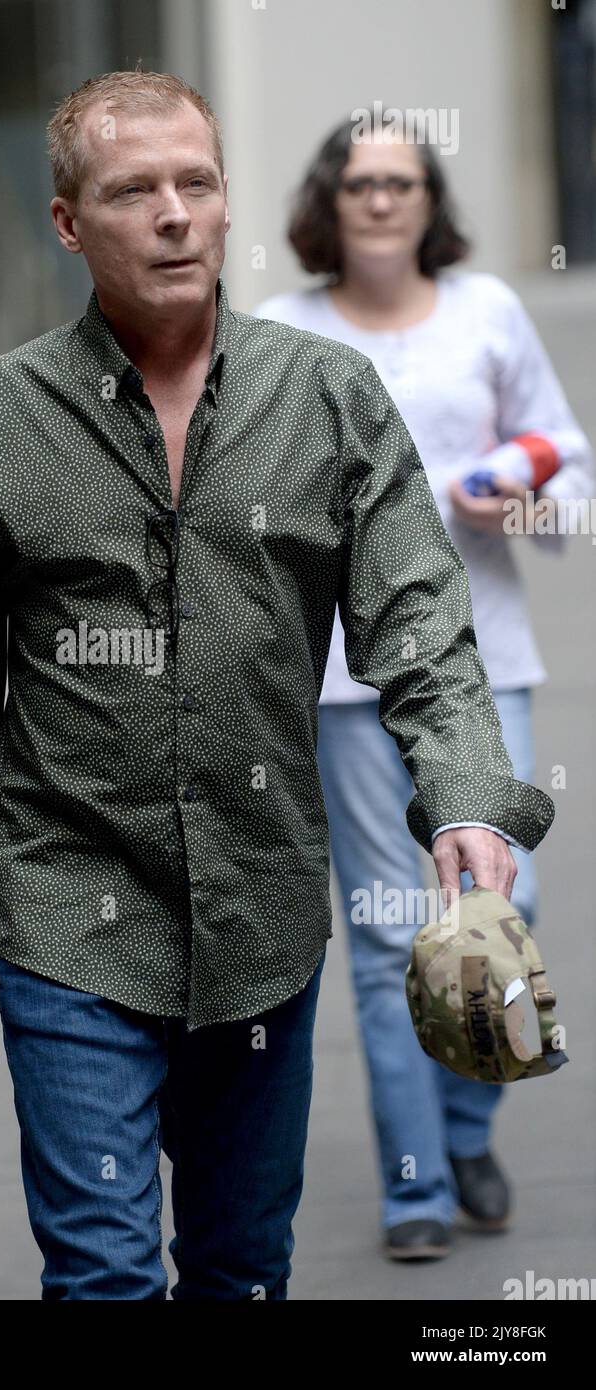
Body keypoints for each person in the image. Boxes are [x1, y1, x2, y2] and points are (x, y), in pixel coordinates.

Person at [0, 70, 555, 1301]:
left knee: (241, 1267)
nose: (176, 212)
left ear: (230, 203)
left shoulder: (329, 395)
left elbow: (418, 619)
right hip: (67, 897)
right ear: (71, 223)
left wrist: (463, 797)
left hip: (261, 905)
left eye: (198, 183)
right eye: (135, 191)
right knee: (103, 1275)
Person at [252, 112, 593, 1262]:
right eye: (361, 182)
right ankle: (416, 1183)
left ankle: (467, 1118)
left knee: (510, 906)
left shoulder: (490, 312)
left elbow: (571, 476)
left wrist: (524, 503)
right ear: (329, 203)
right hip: (352, 683)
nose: (383, 200)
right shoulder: (282, 334)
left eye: (403, 181)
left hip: (487, 664)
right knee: (397, 921)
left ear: (429, 199)